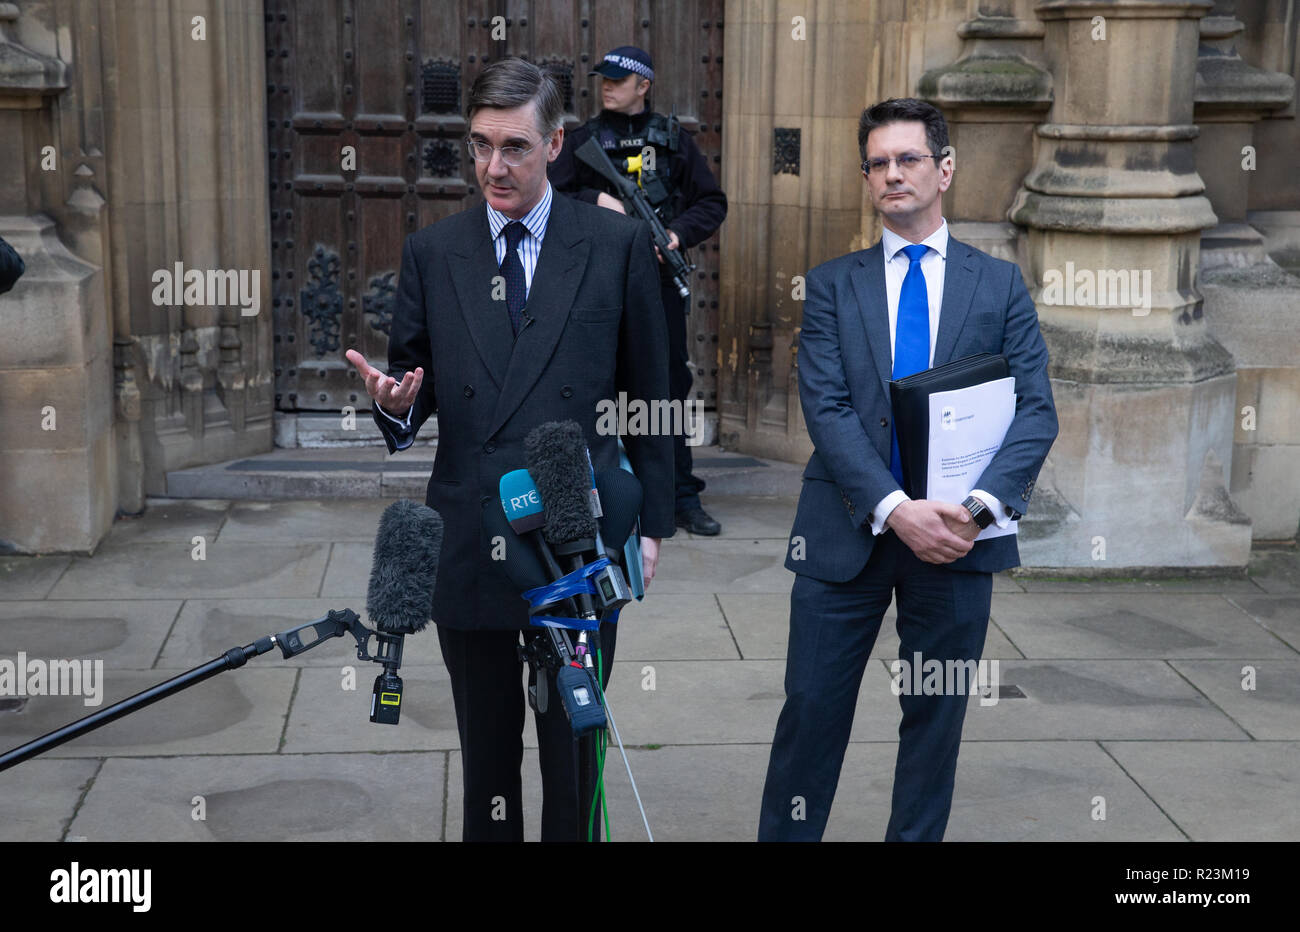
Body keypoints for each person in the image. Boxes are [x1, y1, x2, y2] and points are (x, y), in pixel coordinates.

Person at [345, 57, 674, 842]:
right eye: (482, 145)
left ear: (556, 143)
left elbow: (652, 398)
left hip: (577, 541)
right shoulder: (435, 251)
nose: (495, 166)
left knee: (574, 758)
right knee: (488, 766)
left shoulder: (617, 244)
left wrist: (653, 524)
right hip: (469, 536)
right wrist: (395, 404)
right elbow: (414, 387)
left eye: (516, 147)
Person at [757, 98, 1058, 841]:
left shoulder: (999, 285)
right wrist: (895, 508)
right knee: (812, 712)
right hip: (846, 533)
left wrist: (980, 509)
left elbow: (1036, 410)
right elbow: (824, 410)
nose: (892, 174)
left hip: (958, 540)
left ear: (944, 168)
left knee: (935, 723)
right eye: (878, 164)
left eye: (908, 159)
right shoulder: (832, 284)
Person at [549, 45, 728, 536]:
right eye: (602, 79)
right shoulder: (582, 140)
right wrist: (596, 198)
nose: (605, 86)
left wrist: (676, 235)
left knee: (667, 387)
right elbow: (550, 194)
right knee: (589, 382)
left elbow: (712, 202)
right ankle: (589, 494)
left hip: (656, 283)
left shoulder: (674, 141)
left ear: (643, 86)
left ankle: (679, 495)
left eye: (617, 79)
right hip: (595, 286)